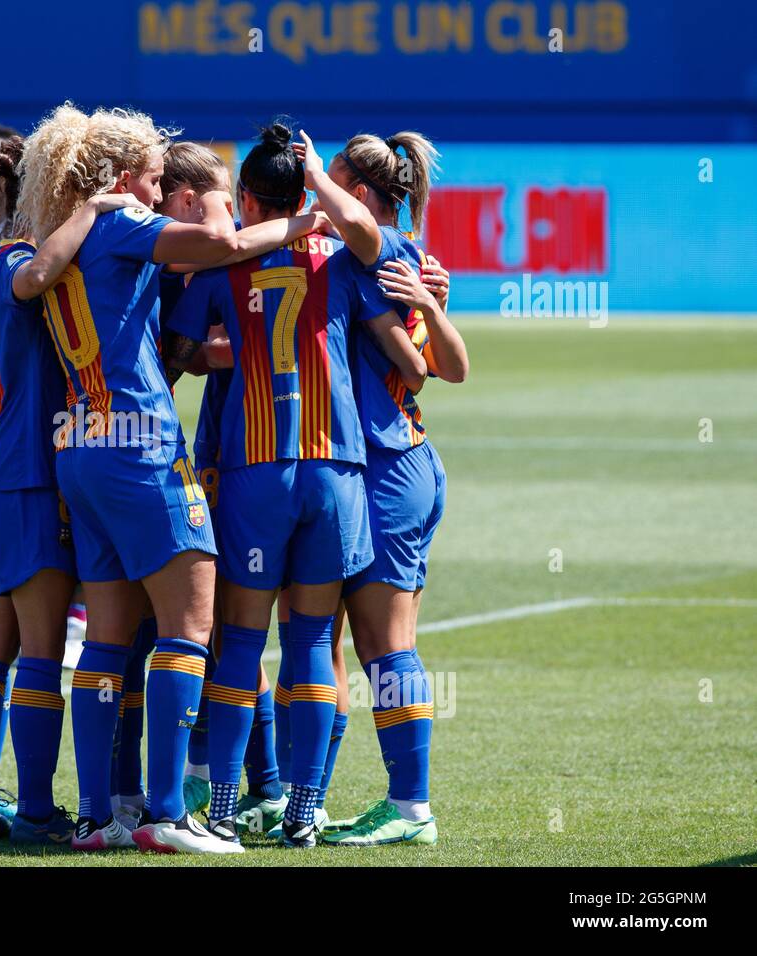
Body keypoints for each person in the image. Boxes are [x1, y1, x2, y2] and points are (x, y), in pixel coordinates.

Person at [167, 121, 428, 848]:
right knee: (313, 640)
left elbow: (181, 354)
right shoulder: (345, 261)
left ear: (247, 196)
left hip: (256, 470)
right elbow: (403, 349)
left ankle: (222, 803)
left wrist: (231, 346)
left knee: (241, 642)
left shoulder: (222, 266)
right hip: (337, 470)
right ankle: (305, 811)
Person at [15, 103, 247, 854]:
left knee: (109, 638)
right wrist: (229, 197)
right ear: (122, 179)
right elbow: (217, 240)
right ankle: (169, 816)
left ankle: (97, 817)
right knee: (188, 628)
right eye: (153, 179)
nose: (157, 194)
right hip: (140, 443)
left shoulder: (67, 235)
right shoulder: (120, 223)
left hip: (79, 444)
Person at [0, 136, 149, 843]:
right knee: (37, 649)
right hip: (25, 473)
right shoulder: (25, 259)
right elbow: (42, 277)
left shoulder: (6, 255)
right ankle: (35, 810)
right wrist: (97, 210)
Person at [300, 131, 467, 847]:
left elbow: (436, 370)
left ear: (357, 193)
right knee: (348, 642)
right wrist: (429, 314)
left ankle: (410, 806)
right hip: (401, 461)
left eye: (331, 182)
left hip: (388, 465)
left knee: (384, 646)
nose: (319, 196)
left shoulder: (378, 247)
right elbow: (441, 365)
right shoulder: (397, 259)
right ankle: (306, 801)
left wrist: (311, 172)